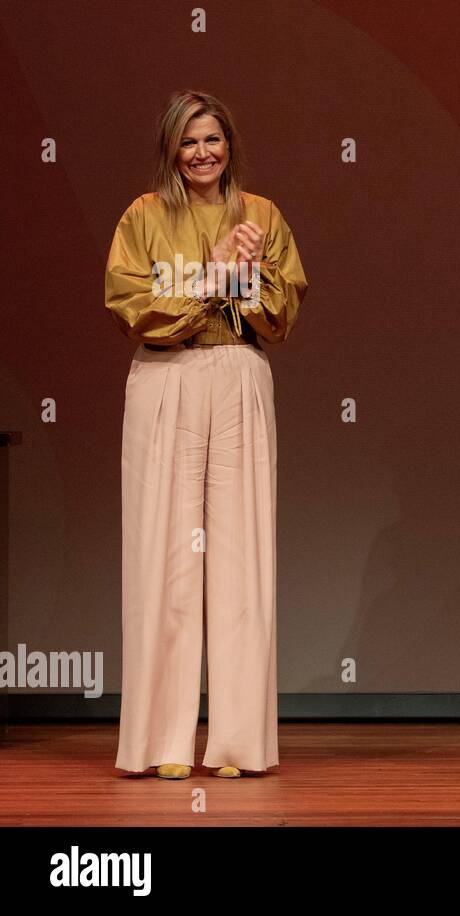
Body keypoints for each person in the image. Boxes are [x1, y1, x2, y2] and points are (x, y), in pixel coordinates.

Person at [106, 90, 307, 779]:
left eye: (212, 140)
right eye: (188, 142)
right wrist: (215, 271)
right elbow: (135, 308)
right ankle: (161, 744)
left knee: (240, 559)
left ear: (230, 146)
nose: (201, 154)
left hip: (239, 376)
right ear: (171, 149)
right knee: (165, 561)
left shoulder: (264, 215)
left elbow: (281, 315)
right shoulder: (143, 215)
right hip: (166, 380)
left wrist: (245, 275)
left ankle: (237, 743)